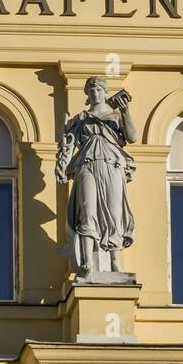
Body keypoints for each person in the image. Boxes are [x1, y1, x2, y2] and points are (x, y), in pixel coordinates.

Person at [57, 76, 137, 276]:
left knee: (114, 213)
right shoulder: (81, 119)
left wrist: (125, 111)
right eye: (91, 90)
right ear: (87, 94)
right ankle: (86, 263)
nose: (95, 93)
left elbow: (132, 137)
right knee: (87, 209)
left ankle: (115, 262)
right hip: (87, 165)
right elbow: (67, 146)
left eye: (98, 90)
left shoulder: (116, 115)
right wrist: (61, 163)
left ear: (105, 92)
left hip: (112, 164)